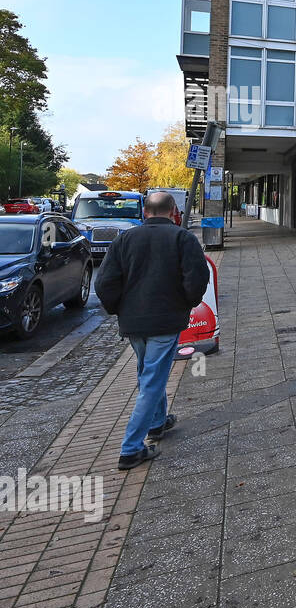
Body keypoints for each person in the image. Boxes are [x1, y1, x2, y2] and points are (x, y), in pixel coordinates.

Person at [95, 191, 209, 470]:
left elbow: (105, 282)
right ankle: (131, 448)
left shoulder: (124, 240)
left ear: (145, 212)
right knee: (152, 381)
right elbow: (197, 277)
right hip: (165, 321)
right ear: (173, 212)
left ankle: (157, 422)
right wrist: (187, 302)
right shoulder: (182, 238)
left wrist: (119, 308)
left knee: (148, 372)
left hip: (134, 322)